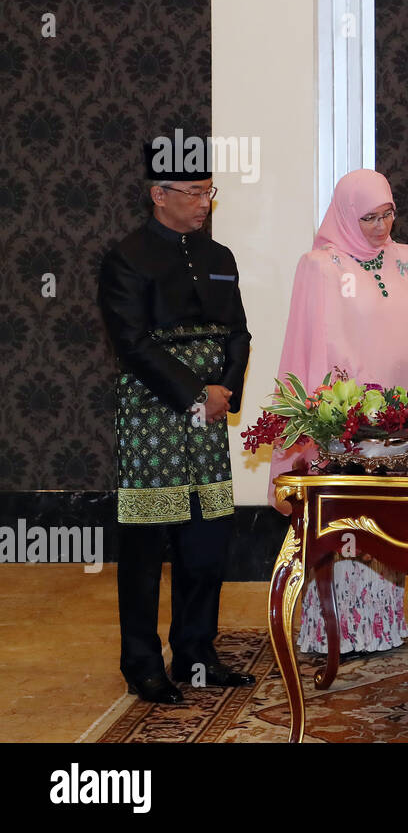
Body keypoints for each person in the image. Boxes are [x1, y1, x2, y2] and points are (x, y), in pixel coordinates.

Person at [98, 139, 254, 704]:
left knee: (205, 543)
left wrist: (224, 390)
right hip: (153, 413)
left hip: (209, 414)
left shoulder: (220, 258)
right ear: (157, 195)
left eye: (208, 192)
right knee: (145, 549)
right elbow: (131, 343)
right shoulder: (127, 257)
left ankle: (196, 653)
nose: (203, 204)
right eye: (191, 193)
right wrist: (194, 392)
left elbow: (238, 332)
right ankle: (142, 663)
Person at [269, 169, 408, 653]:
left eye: (388, 214)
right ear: (346, 214)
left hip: (395, 422)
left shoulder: (405, 259)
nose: (381, 225)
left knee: (388, 525)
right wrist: (322, 414)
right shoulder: (319, 265)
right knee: (347, 525)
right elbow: (307, 345)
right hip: (342, 421)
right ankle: (334, 631)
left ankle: (380, 625)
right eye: (369, 217)